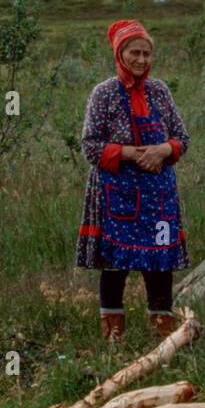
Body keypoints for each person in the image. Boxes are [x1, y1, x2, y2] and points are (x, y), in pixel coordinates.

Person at [75, 19, 190, 341]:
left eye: (147, 54)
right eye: (134, 53)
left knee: (160, 264)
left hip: (158, 196)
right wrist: (130, 153)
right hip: (117, 194)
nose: (141, 60)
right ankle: (113, 339)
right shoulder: (104, 93)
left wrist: (164, 150)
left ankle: (162, 339)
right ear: (119, 54)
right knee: (115, 265)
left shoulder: (160, 91)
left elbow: (182, 137)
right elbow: (90, 145)